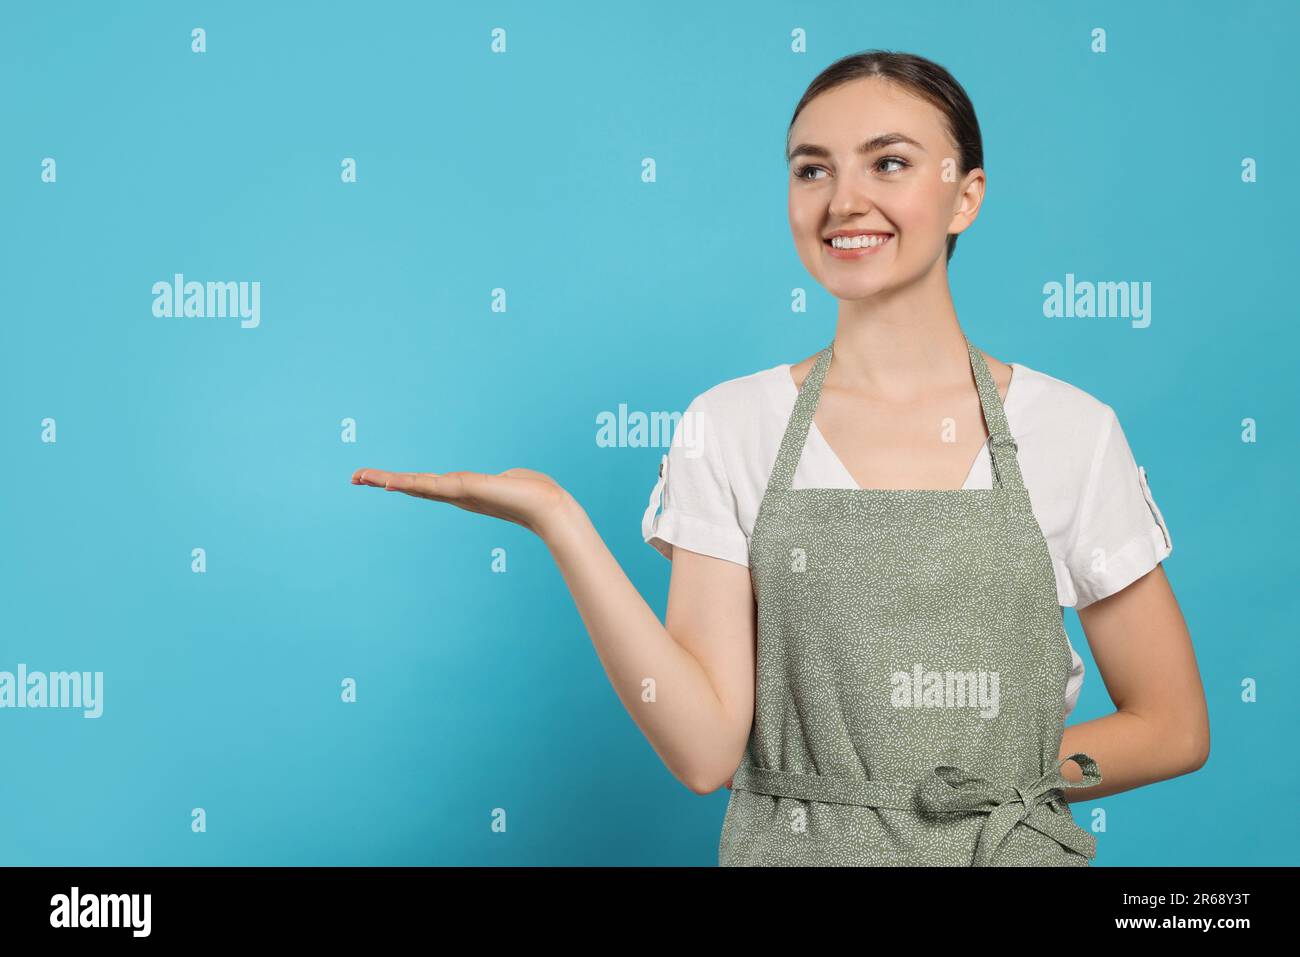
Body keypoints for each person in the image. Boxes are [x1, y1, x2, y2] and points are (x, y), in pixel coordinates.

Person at [351, 50, 1208, 866]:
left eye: (890, 163)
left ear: (965, 197)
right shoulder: (730, 425)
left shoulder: (1071, 429)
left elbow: (1171, 725)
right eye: (812, 169)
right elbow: (702, 750)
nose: (844, 200)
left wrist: (1015, 778)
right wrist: (561, 523)